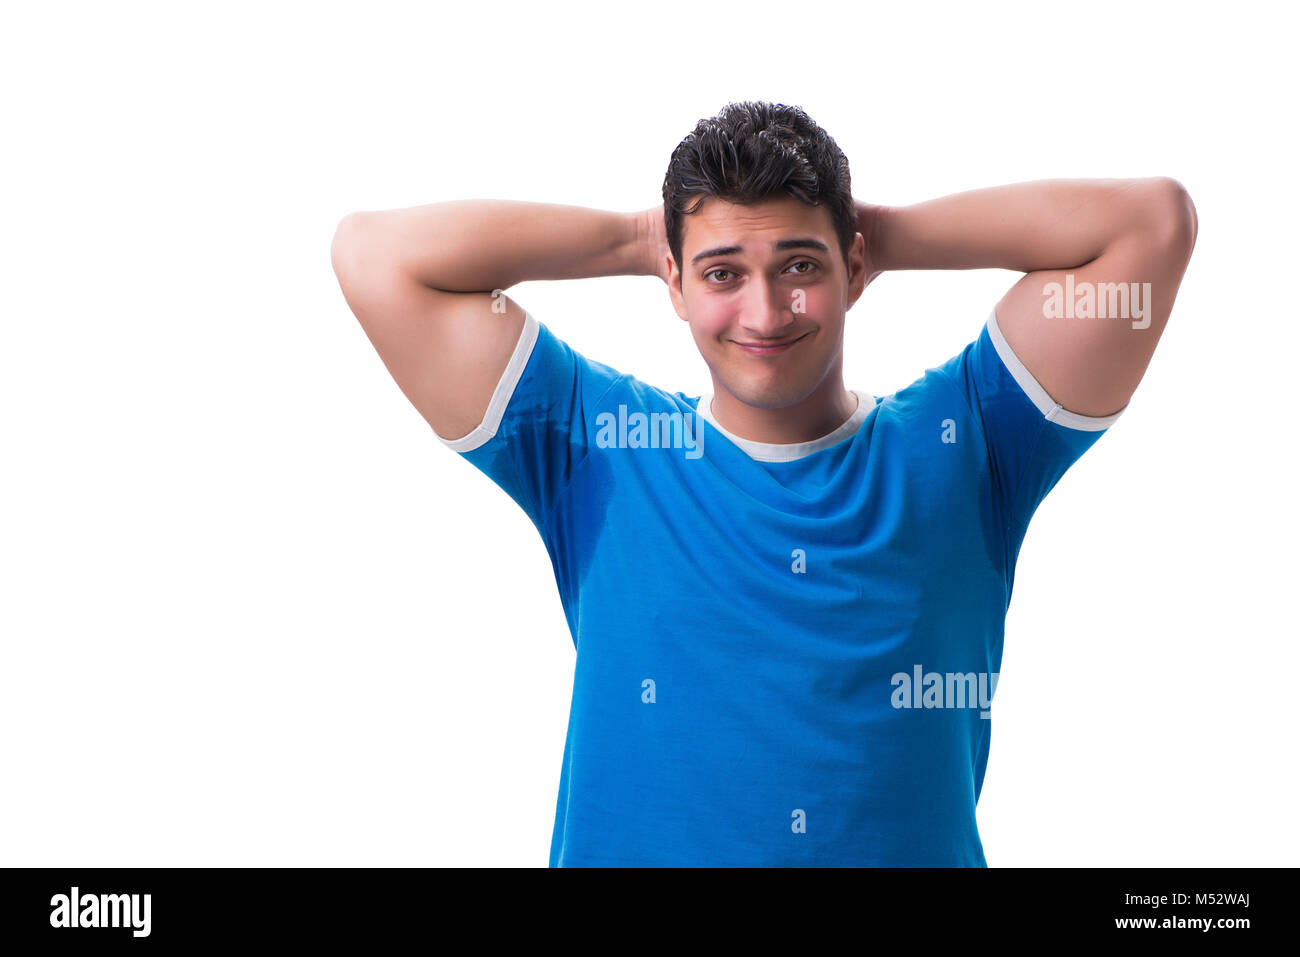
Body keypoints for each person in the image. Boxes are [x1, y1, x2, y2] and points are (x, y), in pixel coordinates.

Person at [329, 101, 1197, 867]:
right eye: (720, 272)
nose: (764, 311)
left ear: (852, 268)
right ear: (673, 279)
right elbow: (376, 256)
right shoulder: (596, 445)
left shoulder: (971, 435)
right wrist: (640, 237)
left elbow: (1152, 224)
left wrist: (880, 235)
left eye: (800, 265)